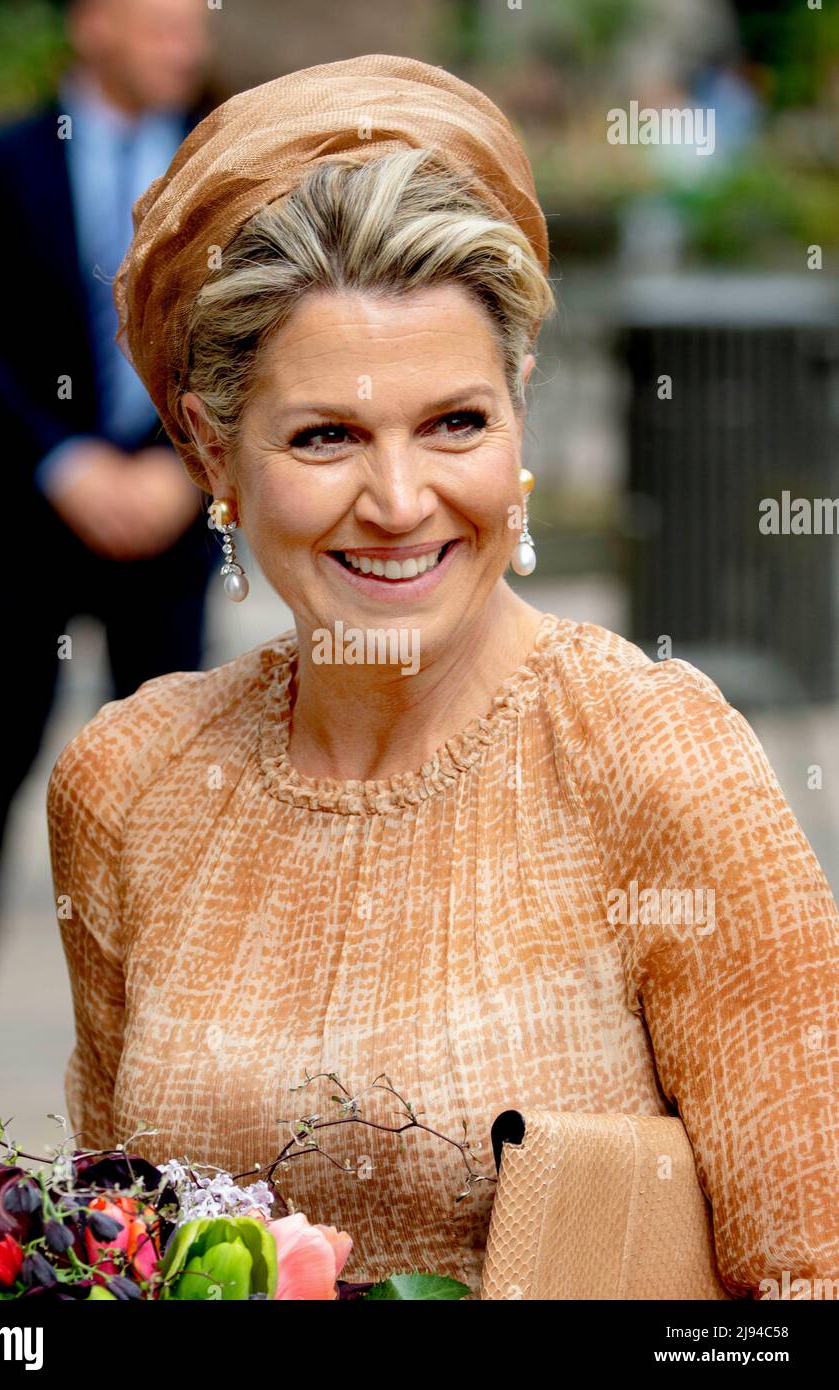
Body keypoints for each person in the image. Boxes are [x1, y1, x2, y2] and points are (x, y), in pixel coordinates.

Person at [47, 55, 839, 1295]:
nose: (402, 502)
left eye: (455, 422)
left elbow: (809, 1275)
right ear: (212, 449)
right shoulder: (126, 782)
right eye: (325, 436)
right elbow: (108, 1253)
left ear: (520, 409)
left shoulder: (651, 759)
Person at [0, 0, 221, 1106]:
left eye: (192, 19)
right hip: (24, 524)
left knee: (175, 787)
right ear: (91, 24)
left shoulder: (217, 157)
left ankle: (172, 1029)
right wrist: (63, 463)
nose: (182, 38)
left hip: (171, 515)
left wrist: (185, 466)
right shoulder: (3, 160)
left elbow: (258, 327)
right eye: (156, 19)